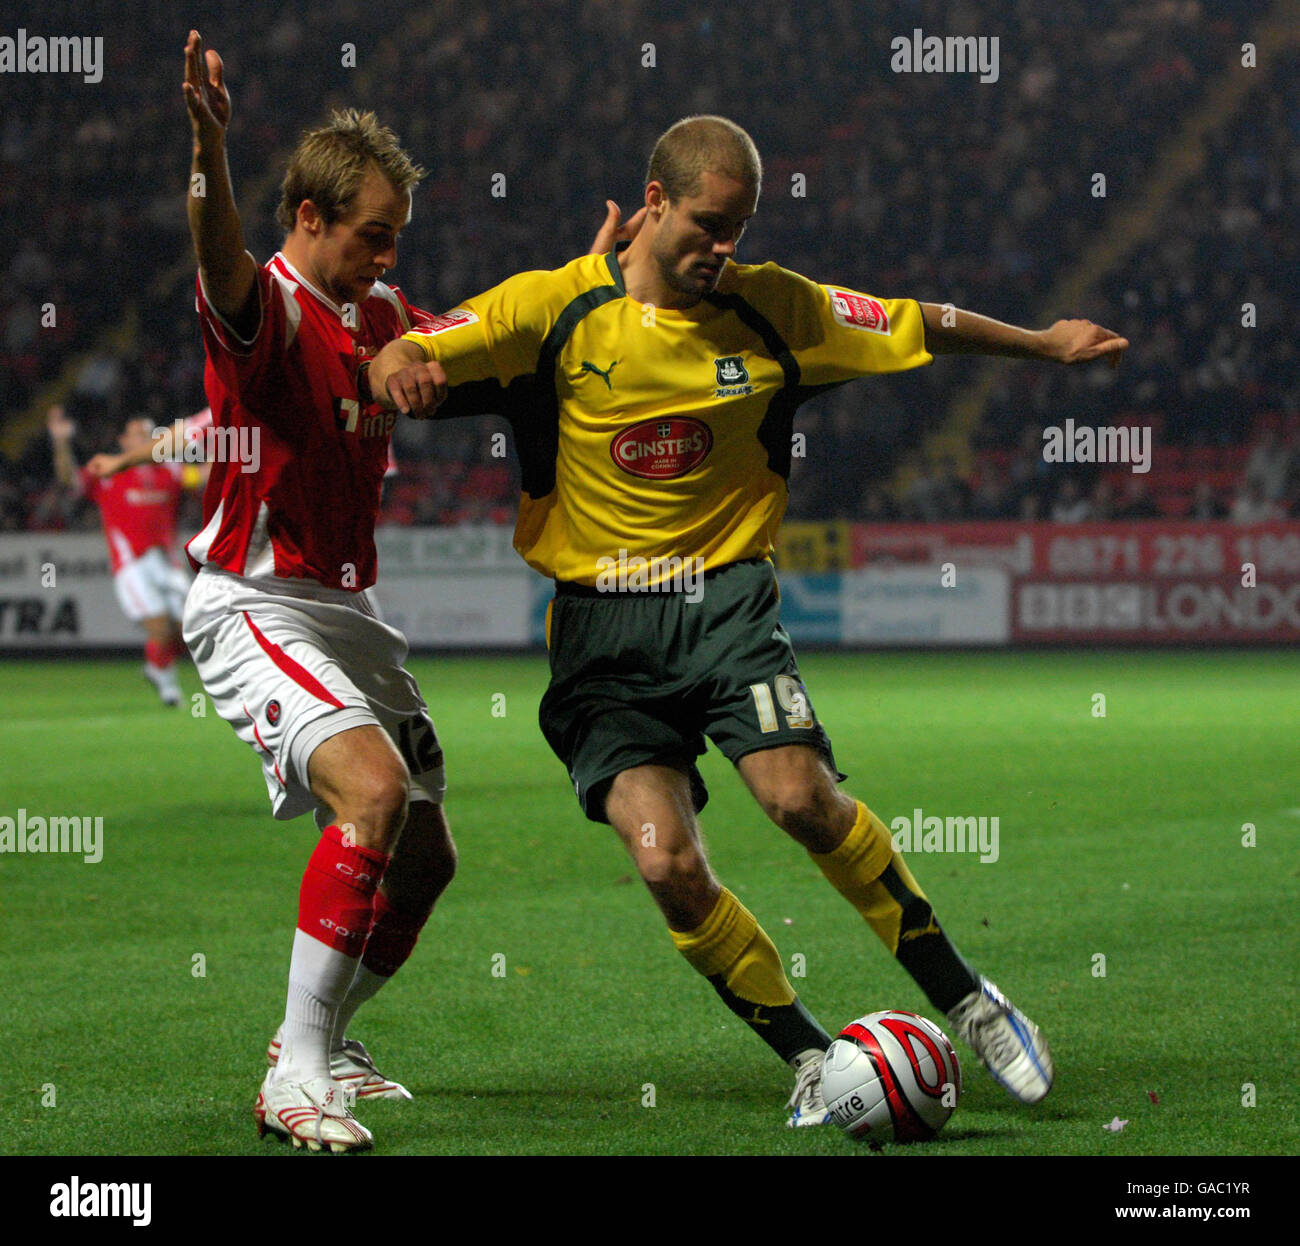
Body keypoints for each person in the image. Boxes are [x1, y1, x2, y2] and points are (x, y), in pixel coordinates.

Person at [368, 115, 1129, 1126]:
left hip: (725, 604)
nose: (723, 247)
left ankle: (965, 997)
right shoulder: (551, 305)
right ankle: (812, 1056)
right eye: (707, 223)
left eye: (739, 227)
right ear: (653, 202)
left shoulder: (777, 309)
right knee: (664, 861)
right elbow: (413, 348)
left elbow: (920, 320)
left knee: (800, 800)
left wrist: (1041, 345)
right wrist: (396, 367)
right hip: (600, 636)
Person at [178, 31, 637, 1153]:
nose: (384, 260)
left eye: (395, 241)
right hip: (254, 596)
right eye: (370, 237)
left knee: (426, 856)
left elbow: (478, 338)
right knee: (372, 796)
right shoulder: (271, 306)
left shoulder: (377, 310)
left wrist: (585, 289)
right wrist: (207, 152)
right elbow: (221, 255)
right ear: (308, 214)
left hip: (351, 609)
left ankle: (330, 1041)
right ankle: (293, 1072)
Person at [46, 405, 197, 706]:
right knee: (159, 627)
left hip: (168, 563)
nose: (141, 439)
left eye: (147, 434)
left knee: (191, 629)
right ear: (123, 441)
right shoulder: (109, 470)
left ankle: (156, 667)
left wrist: (248, 452)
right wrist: (60, 442)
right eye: (135, 434)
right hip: (132, 565)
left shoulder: (171, 470)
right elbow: (68, 481)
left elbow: (205, 475)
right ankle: (167, 684)